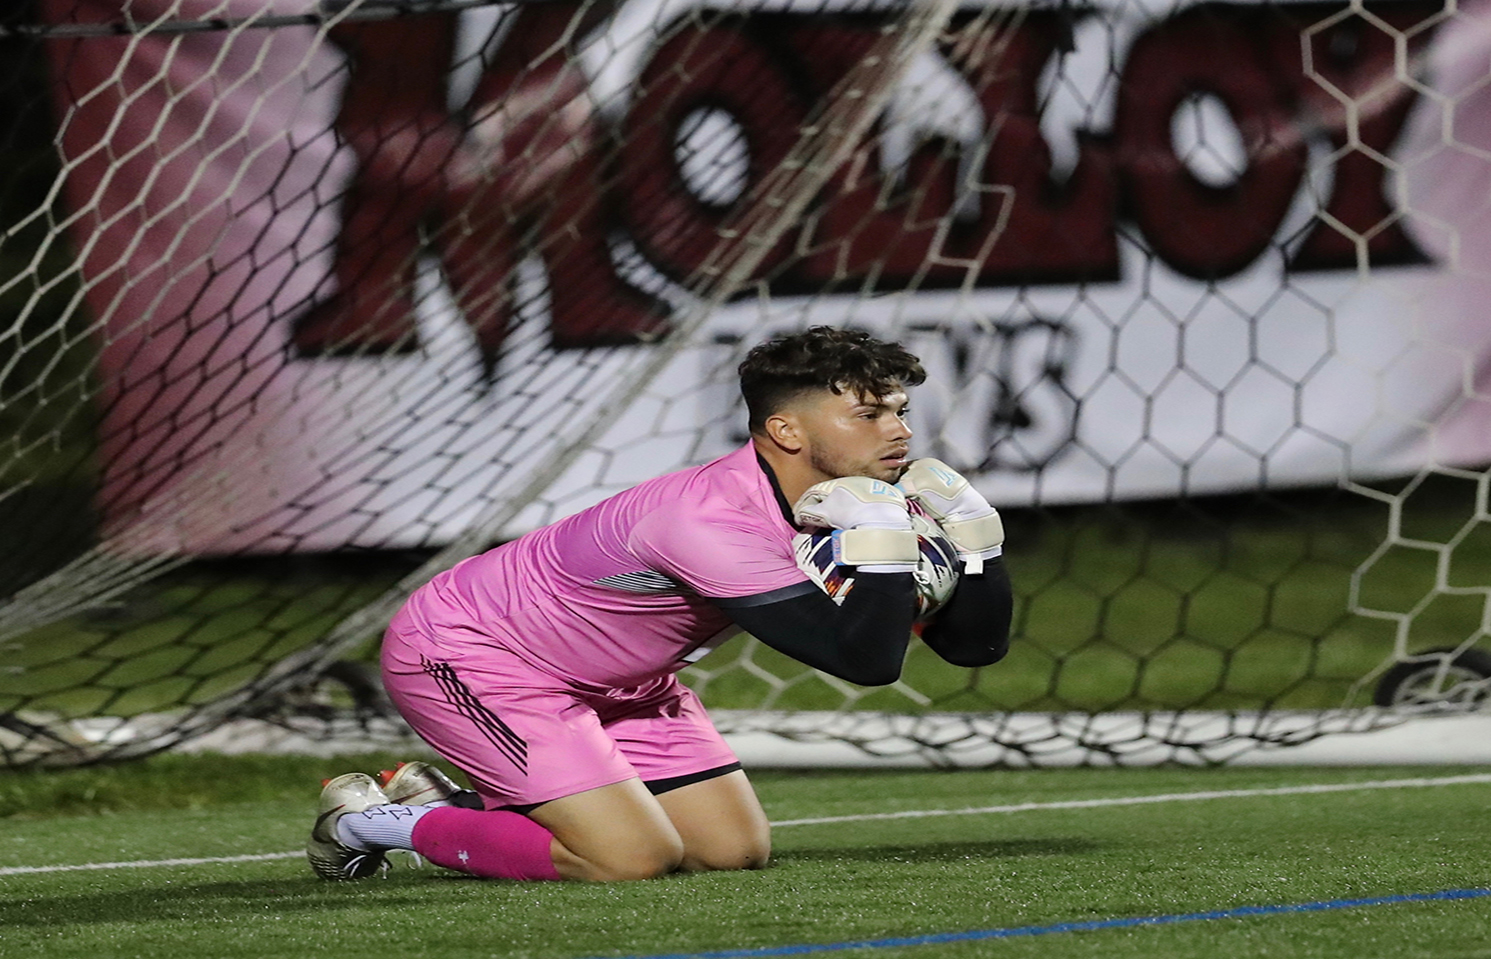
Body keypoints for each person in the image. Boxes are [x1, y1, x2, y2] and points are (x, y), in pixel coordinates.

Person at [307, 326, 1013, 882]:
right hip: (474, 653)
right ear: (788, 432)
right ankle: (373, 821)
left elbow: (973, 647)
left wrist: (979, 543)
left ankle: (460, 806)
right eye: (868, 413)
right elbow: (864, 661)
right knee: (625, 859)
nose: (900, 432)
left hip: (625, 683)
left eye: (899, 410)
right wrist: (887, 546)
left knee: (727, 853)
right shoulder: (708, 522)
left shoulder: (853, 506)